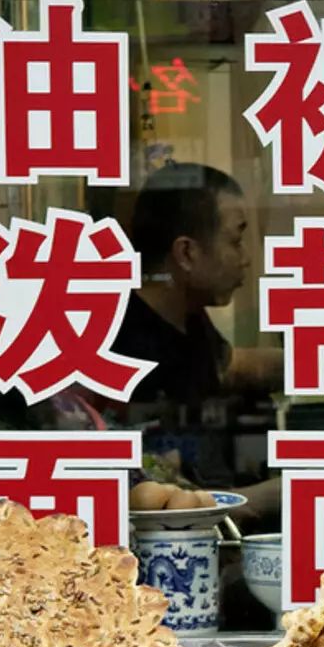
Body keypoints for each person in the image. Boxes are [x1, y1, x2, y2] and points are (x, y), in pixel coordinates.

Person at [111, 162, 281, 516]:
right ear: (187, 253)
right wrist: (274, 496)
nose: (246, 259)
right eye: (236, 240)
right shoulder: (126, 348)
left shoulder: (187, 316)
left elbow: (233, 366)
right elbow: (160, 503)